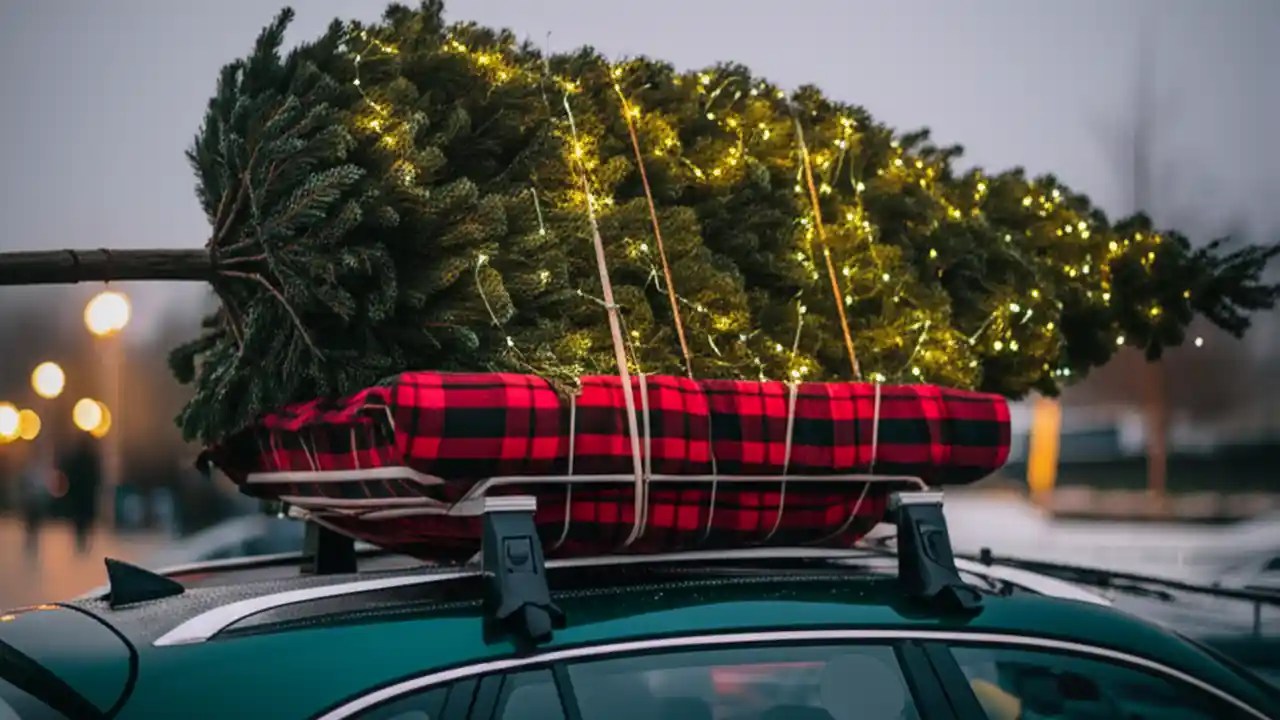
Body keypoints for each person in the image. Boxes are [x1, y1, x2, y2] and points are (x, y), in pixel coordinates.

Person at [61, 434, 102, 555]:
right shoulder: (90, 458)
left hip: (80, 494)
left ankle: (80, 540)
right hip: (86, 494)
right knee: (84, 518)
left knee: (80, 519)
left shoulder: (78, 458)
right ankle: (82, 540)